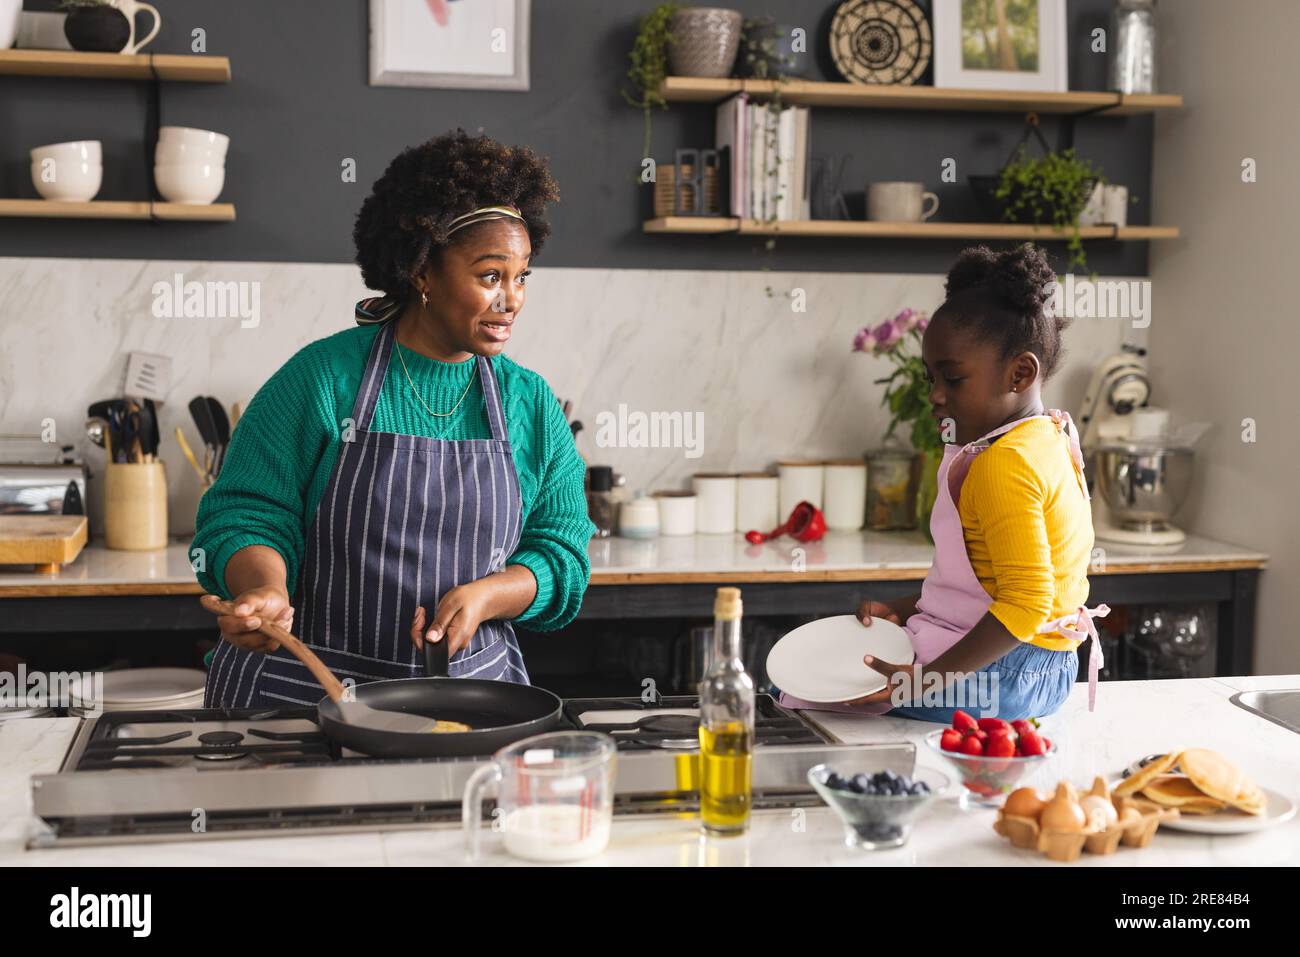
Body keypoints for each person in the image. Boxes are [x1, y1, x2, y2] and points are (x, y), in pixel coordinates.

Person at [196, 130, 594, 707]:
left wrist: (492, 594)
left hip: (466, 702)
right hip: (302, 696)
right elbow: (246, 512)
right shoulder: (321, 379)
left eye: (521, 276)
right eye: (490, 276)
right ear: (422, 274)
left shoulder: (528, 403)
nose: (512, 299)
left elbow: (563, 552)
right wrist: (263, 588)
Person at [782, 244, 1107, 722]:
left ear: (1020, 373)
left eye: (952, 379)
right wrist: (908, 605)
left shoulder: (1006, 463)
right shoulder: (1049, 433)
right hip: (1044, 669)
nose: (935, 395)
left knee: (807, 695)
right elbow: (991, 581)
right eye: (930, 376)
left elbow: (1026, 603)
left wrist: (926, 681)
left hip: (1008, 675)